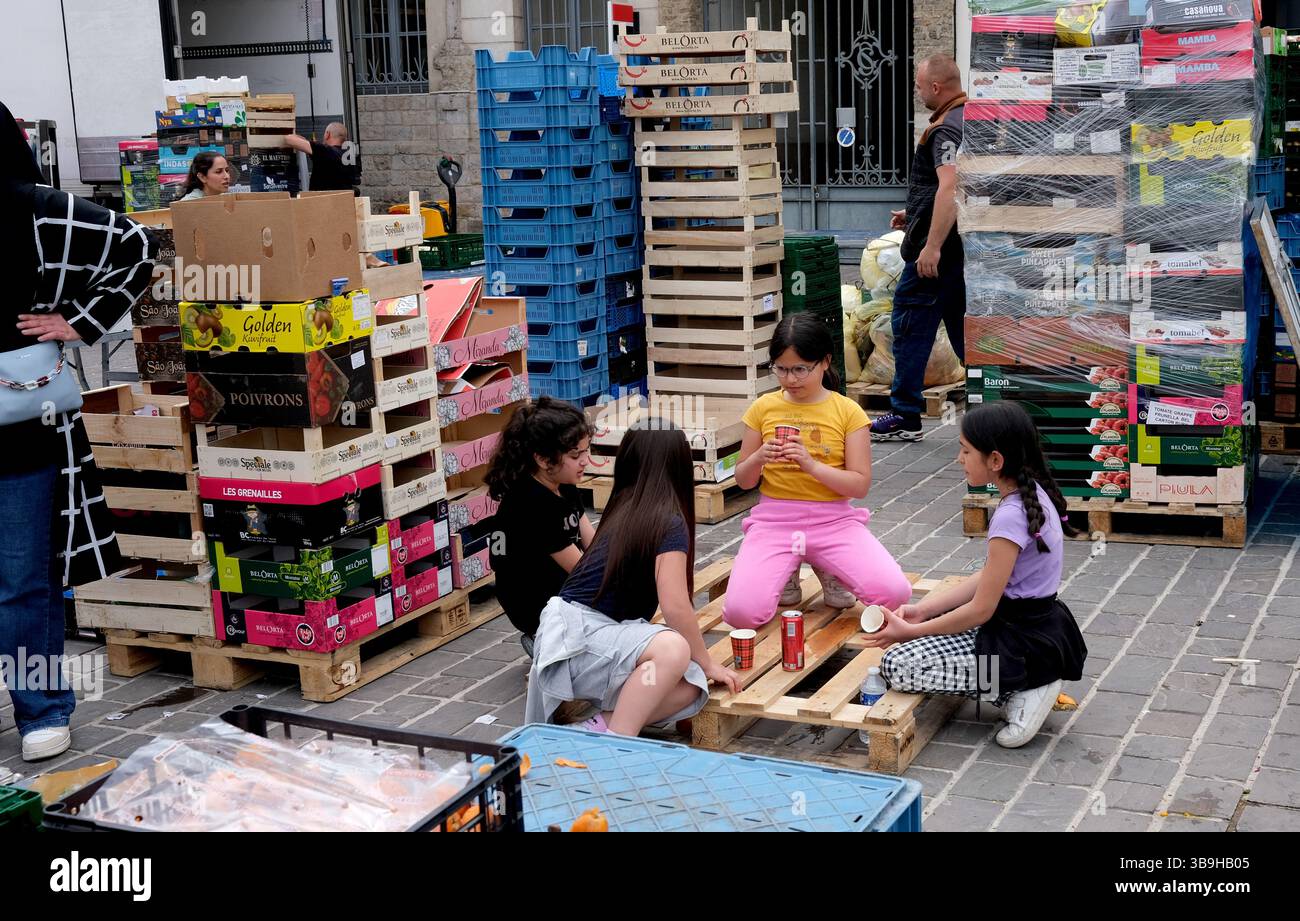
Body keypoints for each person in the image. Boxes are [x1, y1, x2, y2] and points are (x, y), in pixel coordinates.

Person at [0, 101, 156, 761]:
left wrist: (79, 321)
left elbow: (136, 246)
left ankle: (41, 708)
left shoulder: (35, 209)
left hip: (21, 427)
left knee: (21, 580)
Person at [866, 402, 1088, 749]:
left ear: (995, 461)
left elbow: (980, 610)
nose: (959, 459)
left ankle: (1021, 688)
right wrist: (925, 610)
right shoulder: (1034, 495)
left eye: (966, 450)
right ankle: (1018, 681)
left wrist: (911, 632)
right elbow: (990, 577)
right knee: (924, 641)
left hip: (1017, 643)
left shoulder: (1010, 516)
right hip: (1032, 629)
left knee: (898, 665)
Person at [524, 422, 740, 736]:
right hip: (578, 642)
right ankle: (618, 743)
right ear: (679, 464)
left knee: (692, 686)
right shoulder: (668, 520)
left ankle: (600, 727)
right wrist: (709, 663)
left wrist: (700, 669)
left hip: (584, 642)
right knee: (673, 649)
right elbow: (676, 605)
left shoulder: (626, 505)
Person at [723, 314, 912, 630]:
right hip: (774, 523)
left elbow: (859, 485)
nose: (790, 379)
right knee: (741, 614)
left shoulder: (847, 411)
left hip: (834, 521)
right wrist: (758, 457)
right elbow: (744, 480)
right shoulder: (762, 408)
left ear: (825, 362)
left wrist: (811, 465)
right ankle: (789, 568)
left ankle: (828, 566)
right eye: (781, 369)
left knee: (895, 594)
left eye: (800, 369)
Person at [871, 53, 967, 443]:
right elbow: (939, 194)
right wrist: (914, 216)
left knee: (909, 326)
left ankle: (904, 414)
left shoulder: (945, 129)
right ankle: (992, 402)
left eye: (918, 84)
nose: (916, 90)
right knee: (964, 329)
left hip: (939, 256)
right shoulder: (969, 119)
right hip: (960, 251)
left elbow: (950, 188)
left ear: (936, 87)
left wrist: (931, 246)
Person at [485, 398, 597, 657]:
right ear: (544, 460)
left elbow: (592, 540)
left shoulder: (563, 484)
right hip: (536, 603)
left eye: (586, 450)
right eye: (575, 455)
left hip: (559, 584)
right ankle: (545, 638)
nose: (585, 460)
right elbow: (583, 572)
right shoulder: (531, 505)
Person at [285, 122, 361, 194]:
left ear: (327, 134)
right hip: (343, 203)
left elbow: (289, 139)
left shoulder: (325, 151)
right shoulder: (349, 156)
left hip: (322, 203)